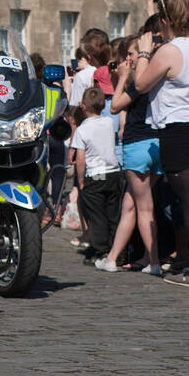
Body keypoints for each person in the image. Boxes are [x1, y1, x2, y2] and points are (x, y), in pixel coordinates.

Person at [134, 0, 189, 287]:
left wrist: (144, 53)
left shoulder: (169, 51)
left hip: (179, 127)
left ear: (165, 21)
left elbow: (141, 84)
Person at [96, 33, 163, 275]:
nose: (127, 59)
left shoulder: (139, 81)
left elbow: (114, 106)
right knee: (130, 204)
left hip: (137, 145)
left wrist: (122, 78)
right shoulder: (159, 76)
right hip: (156, 144)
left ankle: (154, 261)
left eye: (131, 54)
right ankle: (112, 258)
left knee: (144, 207)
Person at [72, 87, 121, 261]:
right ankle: (117, 247)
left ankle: (101, 250)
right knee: (113, 213)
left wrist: (81, 180)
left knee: (95, 214)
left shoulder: (82, 130)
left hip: (95, 174)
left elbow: (80, 159)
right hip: (113, 173)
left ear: (83, 106)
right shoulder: (108, 122)